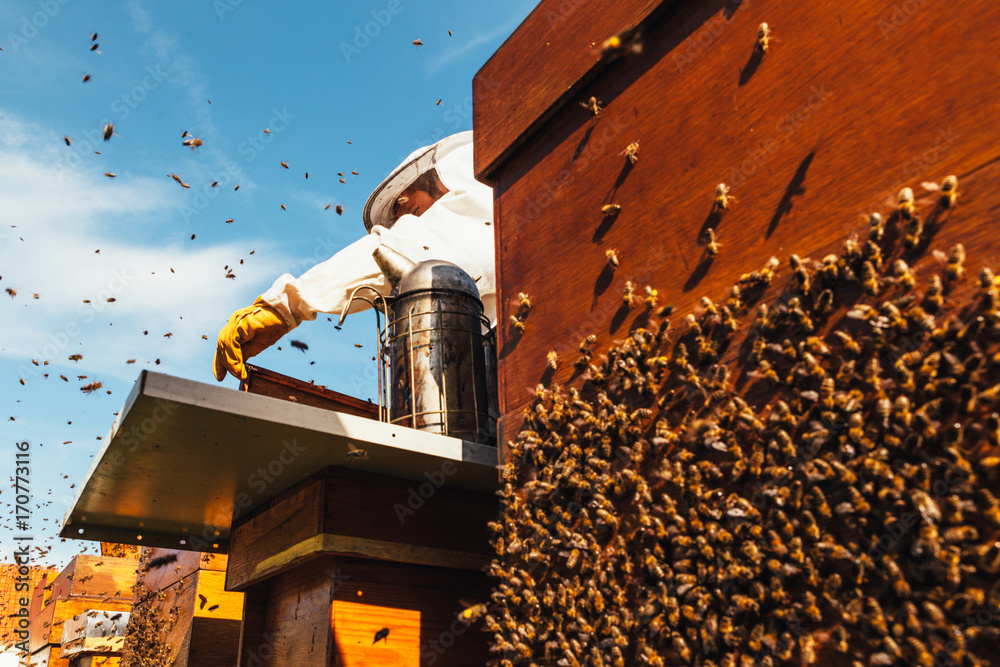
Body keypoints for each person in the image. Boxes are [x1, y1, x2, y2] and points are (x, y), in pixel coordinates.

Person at [213, 131, 496, 382]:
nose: (408, 223)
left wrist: (286, 304)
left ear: (439, 181)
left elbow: (408, 245)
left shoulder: (483, 205)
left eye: (410, 210)